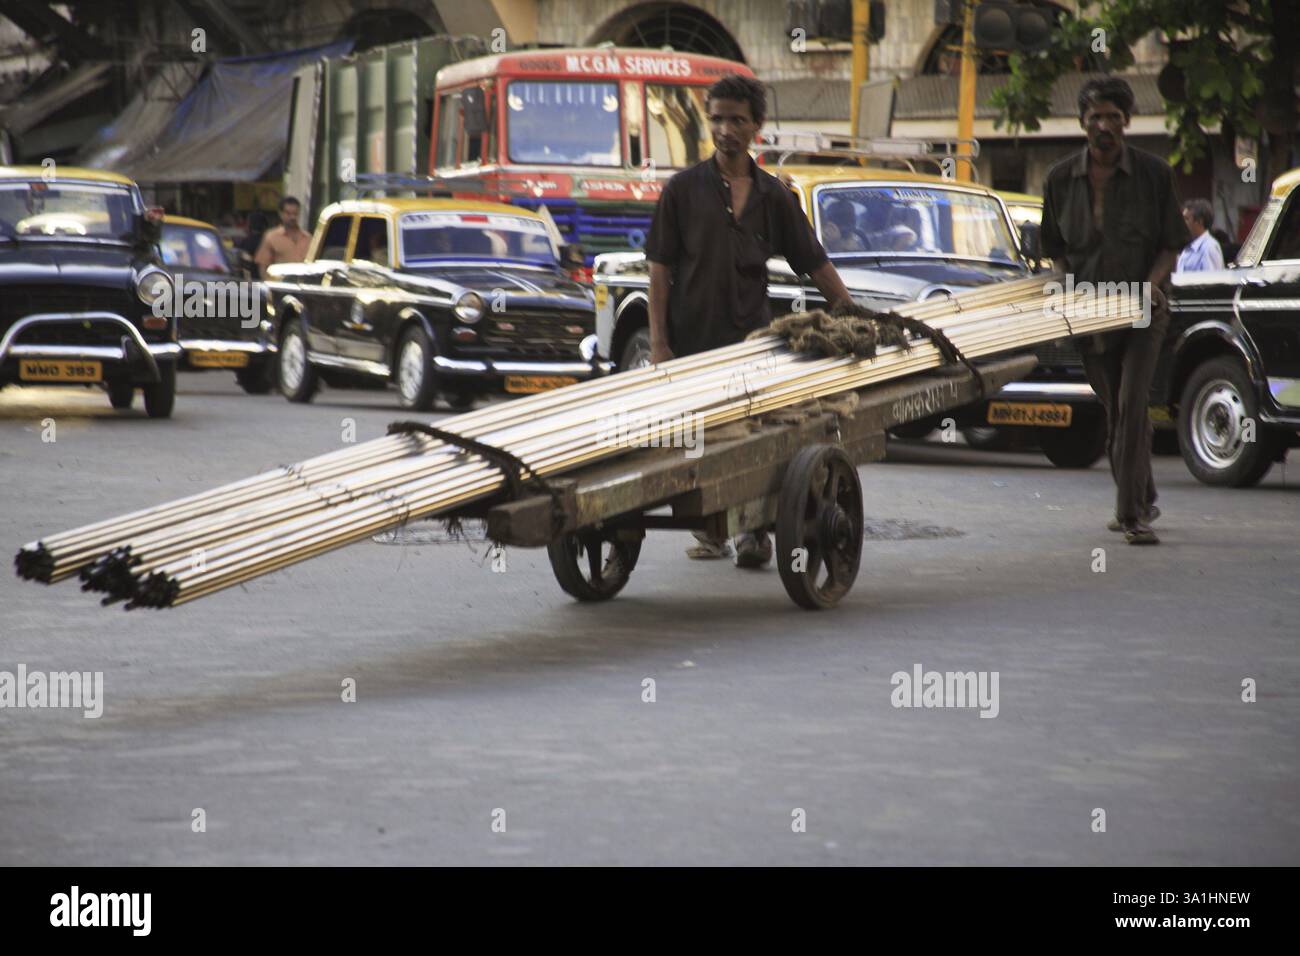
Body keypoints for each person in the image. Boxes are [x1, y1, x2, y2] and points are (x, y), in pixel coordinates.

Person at [645, 73, 854, 567]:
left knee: (755, 443)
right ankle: (711, 531)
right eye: (716, 119)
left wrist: (854, 316)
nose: (725, 129)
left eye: (736, 120)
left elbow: (815, 262)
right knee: (702, 443)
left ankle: (753, 532)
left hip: (752, 348)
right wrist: (658, 345)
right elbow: (658, 272)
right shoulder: (682, 190)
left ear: (756, 126)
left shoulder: (772, 196)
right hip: (693, 344)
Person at [1040, 76, 1190, 545]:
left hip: (1144, 310)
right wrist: (1066, 286)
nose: (1104, 125)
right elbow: (1055, 248)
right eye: (1095, 117)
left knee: (1131, 405)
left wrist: (1150, 287)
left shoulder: (1154, 173)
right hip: (1090, 313)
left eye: (1112, 117)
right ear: (1082, 122)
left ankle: (1132, 517)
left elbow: (1171, 244)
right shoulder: (1059, 178)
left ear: (1127, 121)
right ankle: (1142, 494)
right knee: (1117, 410)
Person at [254, 197, 311, 278]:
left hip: (304, 286)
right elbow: (263, 265)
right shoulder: (271, 237)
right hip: (280, 285)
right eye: (288, 213)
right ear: (280, 214)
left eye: (295, 213)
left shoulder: (308, 238)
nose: (292, 217)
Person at [1177, 199, 1225, 272]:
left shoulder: (1209, 247)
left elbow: (1212, 280)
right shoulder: (1187, 248)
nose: (1182, 223)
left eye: (1186, 219)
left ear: (1199, 221)